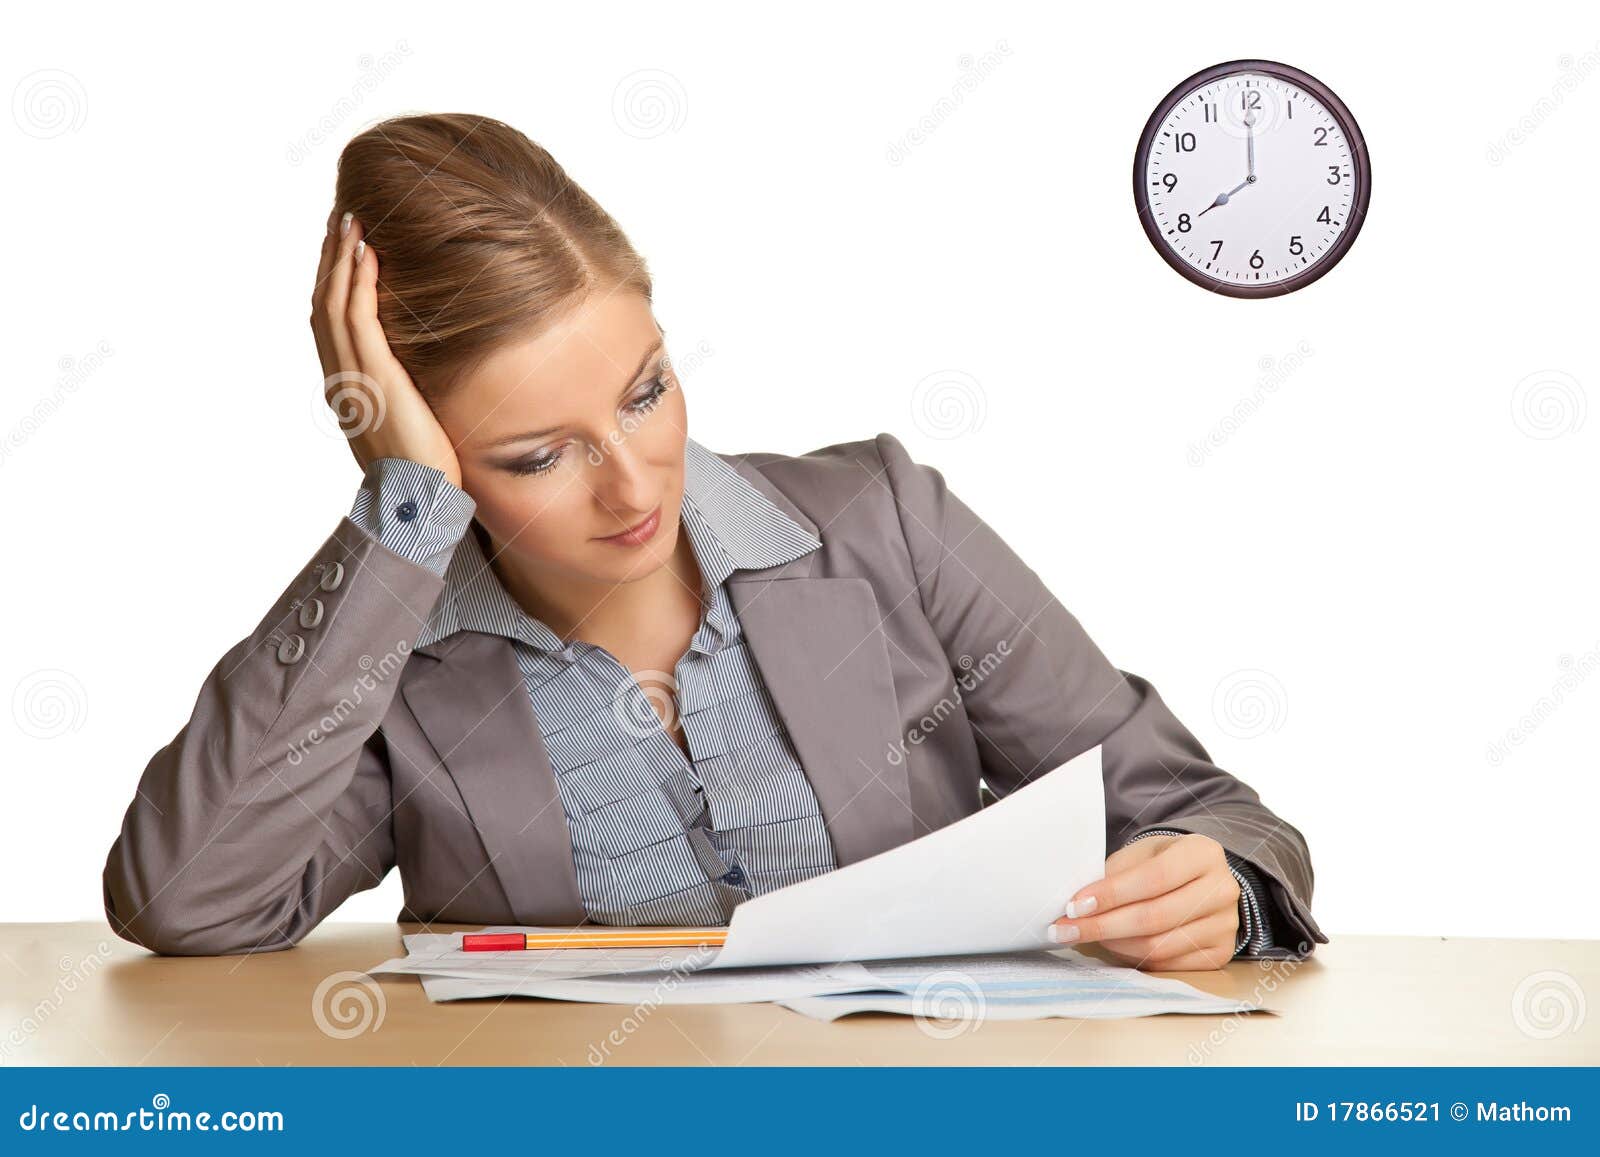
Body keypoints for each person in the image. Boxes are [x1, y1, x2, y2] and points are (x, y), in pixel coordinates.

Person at [103, 113, 1325, 967]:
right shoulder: (396, 659)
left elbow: (1200, 807)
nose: (635, 481)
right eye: (537, 454)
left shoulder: (883, 525)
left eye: (644, 390)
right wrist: (400, 517)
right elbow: (187, 899)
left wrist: (1217, 883)